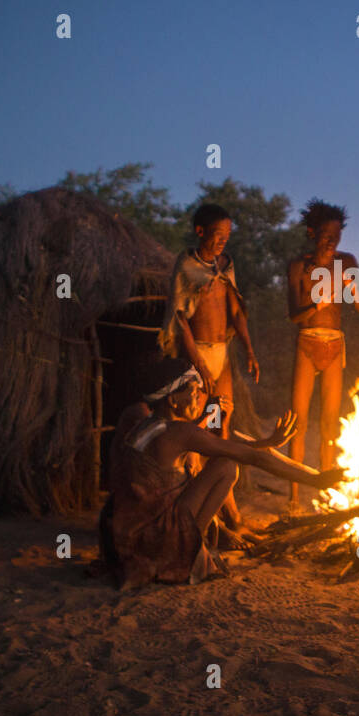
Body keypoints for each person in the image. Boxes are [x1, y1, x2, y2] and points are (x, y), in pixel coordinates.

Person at [98, 358, 344, 588]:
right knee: (226, 466)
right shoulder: (178, 433)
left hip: (129, 541)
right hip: (157, 541)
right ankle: (191, 551)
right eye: (193, 393)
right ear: (173, 400)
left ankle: (191, 545)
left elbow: (233, 445)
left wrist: (267, 441)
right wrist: (315, 479)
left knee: (215, 464)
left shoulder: (148, 425)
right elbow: (249, 457)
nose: (198, 398)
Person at [159, 203, 260, 535]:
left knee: (221, 425)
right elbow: (180, 318)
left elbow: (236, 310)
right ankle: (198, 510)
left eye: (227, 235)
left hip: (222, 356)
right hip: (196, 356)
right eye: (218, 234)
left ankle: (226, 506)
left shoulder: (225, 266)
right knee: (197, 433)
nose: (222, 241)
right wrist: (197, 362)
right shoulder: (187, 266)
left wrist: (247, 347)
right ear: (200, 231)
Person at [285, 199, 359, 511]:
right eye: (325, 235)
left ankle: (328, 491)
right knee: (299, 420)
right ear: (312, 232)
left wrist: (350, 285)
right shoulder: (298, 265)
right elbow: (294, 315)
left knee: (330, 422)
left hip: (335, 345)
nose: (331, 241)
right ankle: (293, 496)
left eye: (336, 235)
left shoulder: (347, 262)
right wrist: (317, 304)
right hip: (307, 342)